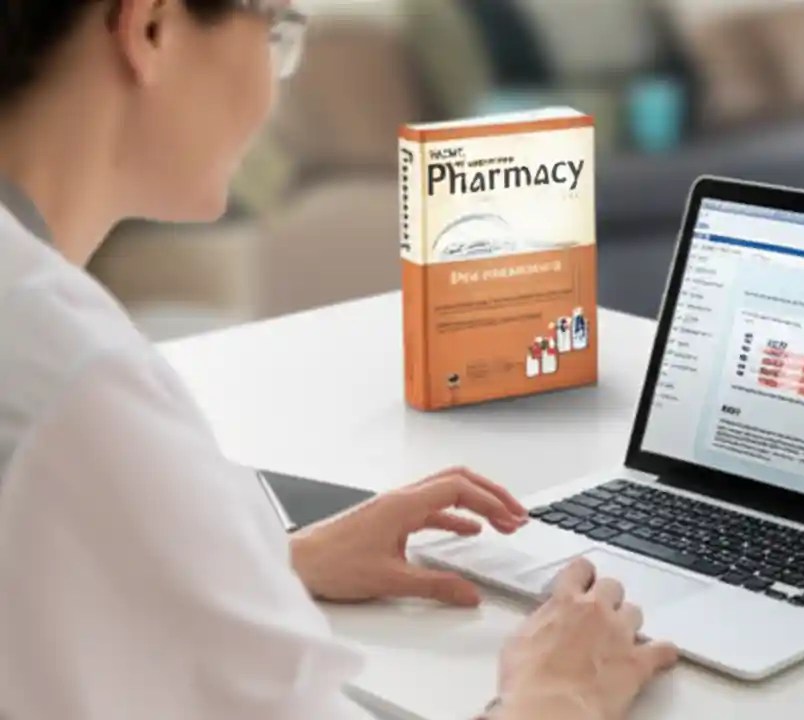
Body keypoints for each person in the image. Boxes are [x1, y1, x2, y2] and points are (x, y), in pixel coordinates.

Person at [0, 1, 678, 718]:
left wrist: (261, 561)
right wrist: (558, 694)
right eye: (274, 34)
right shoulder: (75, 383)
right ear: (152, 29)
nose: (274, 82)